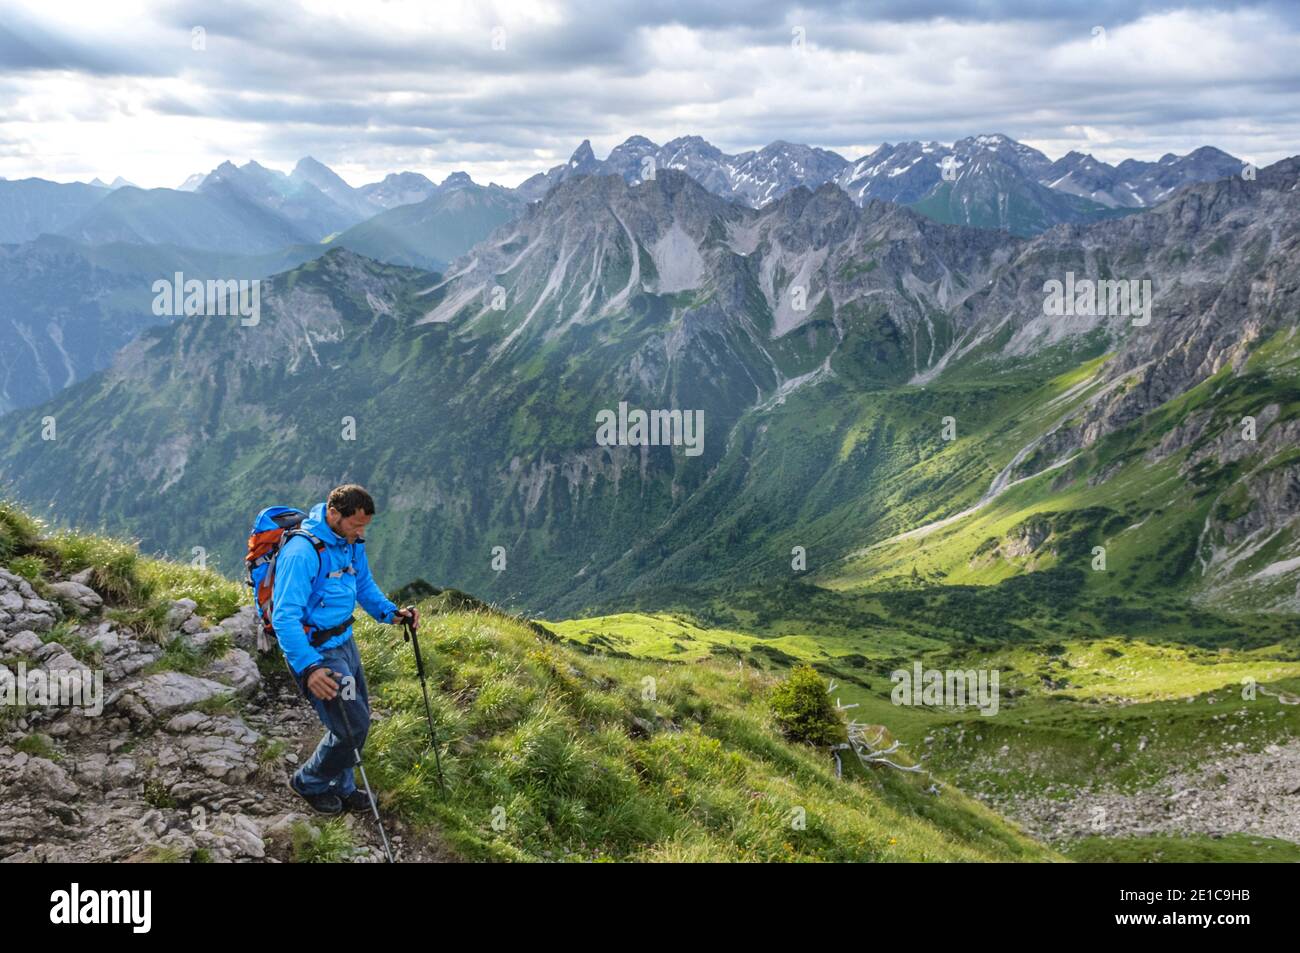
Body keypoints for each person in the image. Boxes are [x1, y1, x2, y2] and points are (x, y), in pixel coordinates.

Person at [272, 484, 417, 814]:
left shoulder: (351, 543)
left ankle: (342, 784)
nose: (361, 531)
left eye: (365, 525)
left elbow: (363, 584)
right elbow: (284, 617)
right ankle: (308, 781)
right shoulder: (302, 553)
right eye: (356, 524)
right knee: (352, 726)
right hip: (318, 653)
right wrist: (309, 668)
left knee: (356, 719)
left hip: (344, 643)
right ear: (333, 514)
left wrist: (391, 613)